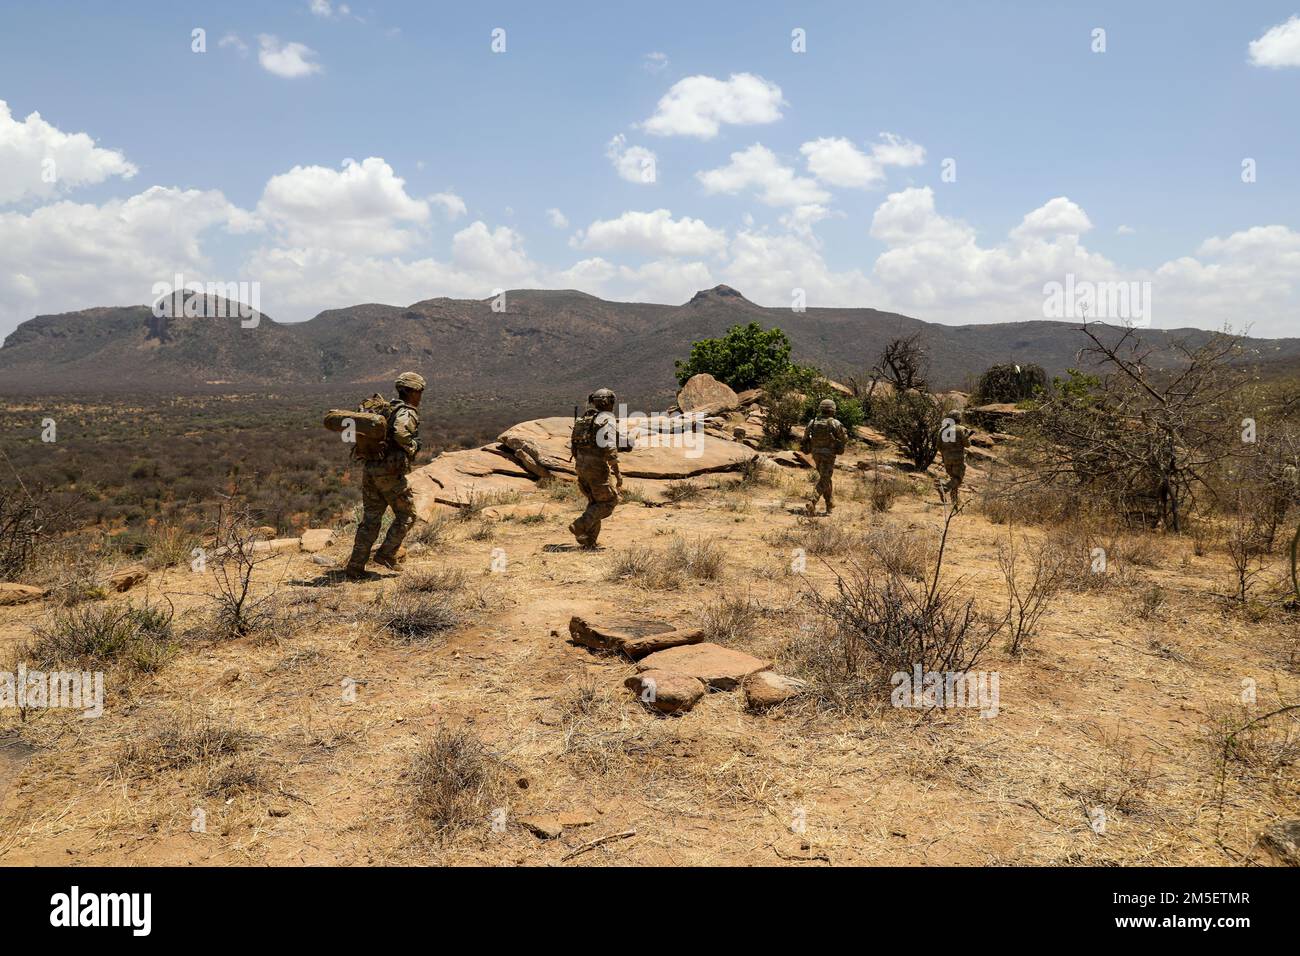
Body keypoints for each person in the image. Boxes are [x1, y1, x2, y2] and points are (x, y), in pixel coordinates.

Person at [344, 372, 424, 578]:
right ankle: (387, 554)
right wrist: (412, 446)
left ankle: (355, 567)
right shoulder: (405, 412)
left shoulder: (385, 409)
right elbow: (400, 432)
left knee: (370, 519)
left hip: (371, 469)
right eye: (420, 391)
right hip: (389, 472)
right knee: (407, 514)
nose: (421, 395)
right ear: (412, 391)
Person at [568, 388, 623, 548]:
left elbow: (574, 446)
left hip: (581, 465)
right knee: (609, 501)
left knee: (594, 502)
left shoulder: (585, 419)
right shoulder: (606, 419)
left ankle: (588, 541)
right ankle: (580, 525)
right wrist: (618, 473)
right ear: (609, 402)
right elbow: (610, 448)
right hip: (596, 468)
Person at [801, 398, 848, 515]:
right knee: (825, 479)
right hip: (829, 455)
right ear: (833, 410)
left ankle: (829, 505)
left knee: (825, 477)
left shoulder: (812, 422)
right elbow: (845, 438)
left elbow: (805, 438)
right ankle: (812, 501)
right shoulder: (835, 423)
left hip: (816, 454)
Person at [937, 408, 973, 506]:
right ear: (958, 418)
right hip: (958, 459)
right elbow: (967, 445)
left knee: (953, 479)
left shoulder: (942, 429)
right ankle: (944, 487)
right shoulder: (961, 429)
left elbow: (938, 446)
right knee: (958, 478)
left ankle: (954, 501)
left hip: (946, 459)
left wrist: (946, 454)